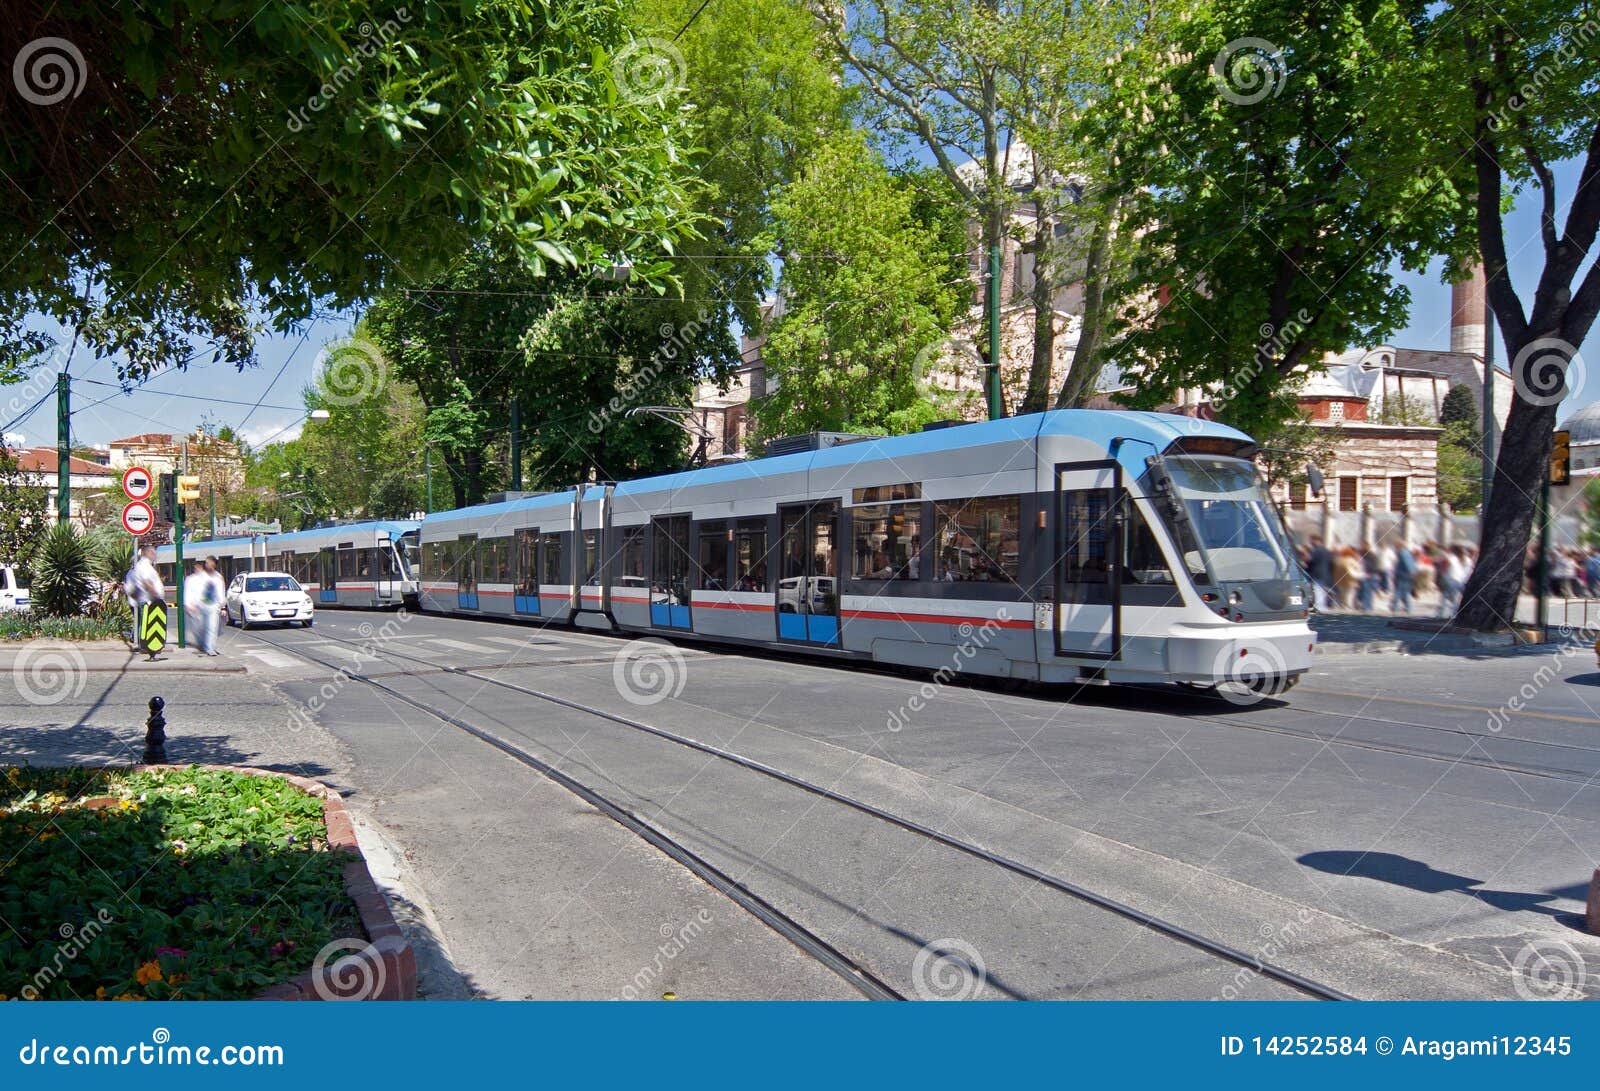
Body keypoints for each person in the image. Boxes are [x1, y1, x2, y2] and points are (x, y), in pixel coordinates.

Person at [1304, 535, 1333, 611]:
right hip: (1324, 573)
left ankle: (1319, 607)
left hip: (1316, 573)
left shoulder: (1316, 550)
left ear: (1317, 541)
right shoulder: (1326, 551)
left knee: (1317, 590)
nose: (1311, 543)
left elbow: (1308, 559)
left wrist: (1305, 552)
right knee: (1321, 590)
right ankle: (1322, 606)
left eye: (1312, 541)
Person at [1391, 541, 1417, 614]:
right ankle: (1408, 607)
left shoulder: (1403, 553)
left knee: (1399, 591)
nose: (1395, 548)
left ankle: (1395, 607)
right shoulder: (1406, 553)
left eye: (1396, 546)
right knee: (1404, 592)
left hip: (1403, 575)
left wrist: (1412, 573)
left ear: (1400, 546)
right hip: (1405, 575)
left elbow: (1408, 564)